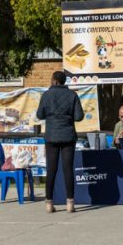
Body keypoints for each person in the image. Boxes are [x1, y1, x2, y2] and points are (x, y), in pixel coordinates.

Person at [36, 70, 85, 214]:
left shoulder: (46, 95)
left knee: (51, 170)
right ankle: (70, 203)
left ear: (54, 80)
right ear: (63, 81)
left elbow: (40, 115)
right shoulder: (72, 95)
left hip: (51, 137)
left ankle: (49, 204)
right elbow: (79, 117)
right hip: (68, 137)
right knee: (68, 169)